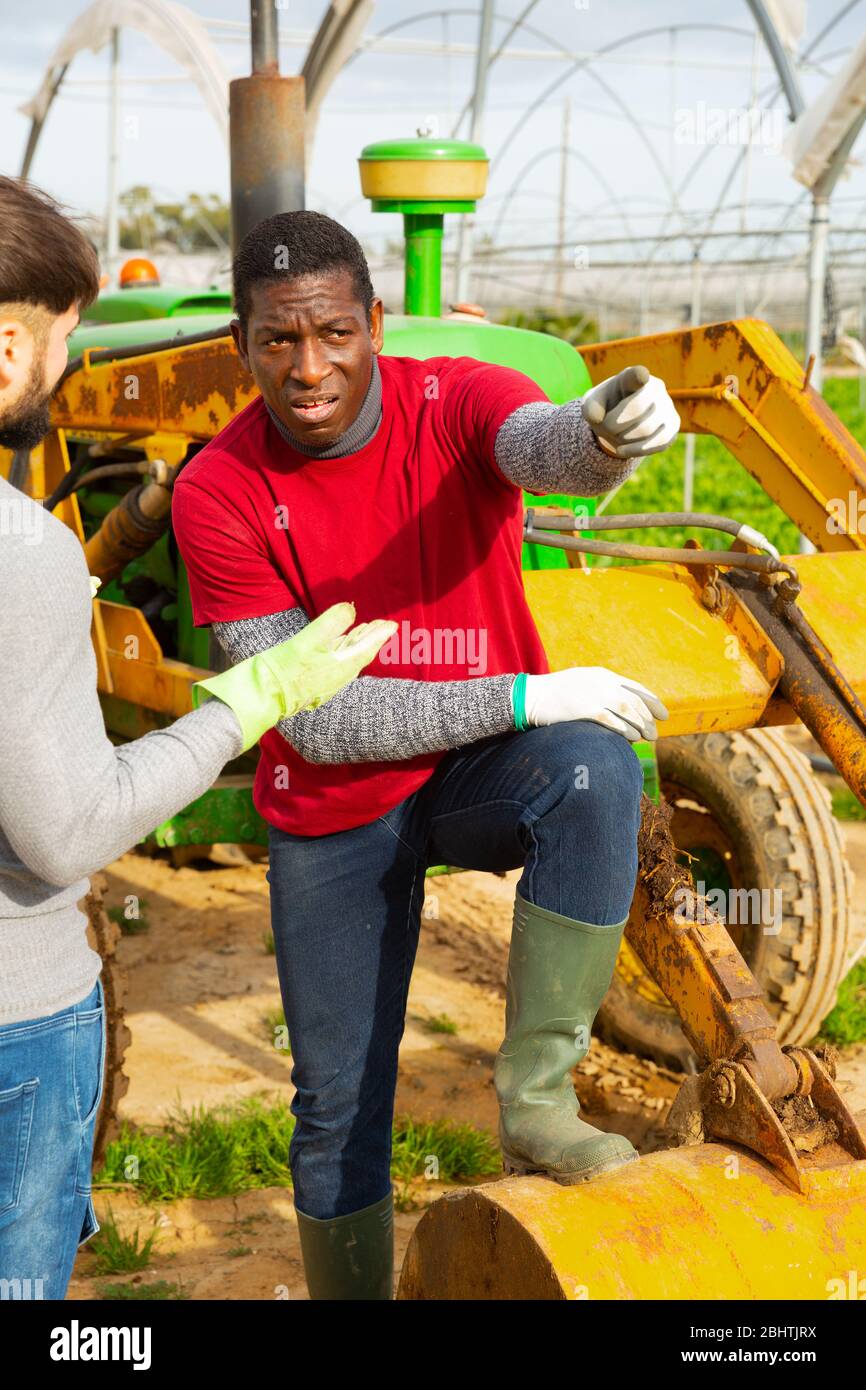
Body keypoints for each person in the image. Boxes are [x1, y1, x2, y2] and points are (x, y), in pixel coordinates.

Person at [171, 209, 679, 1301]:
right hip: (329, 802)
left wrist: (606, 432)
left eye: (334, 334)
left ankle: (539, 1099)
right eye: (277, 341)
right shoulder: (217, 489)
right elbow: (315, 721)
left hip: (470, 772)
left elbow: (543, 450)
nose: (309, 367)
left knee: (591, 761)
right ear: (241, 343)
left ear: (375, 325)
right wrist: (521, 689)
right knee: (334, 1104)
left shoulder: (454, 397)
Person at [0, 177, 393, 1301]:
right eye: (66, 341)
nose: (72, 369)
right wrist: (243, 705)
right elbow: (66, 831)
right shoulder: (21, 552)